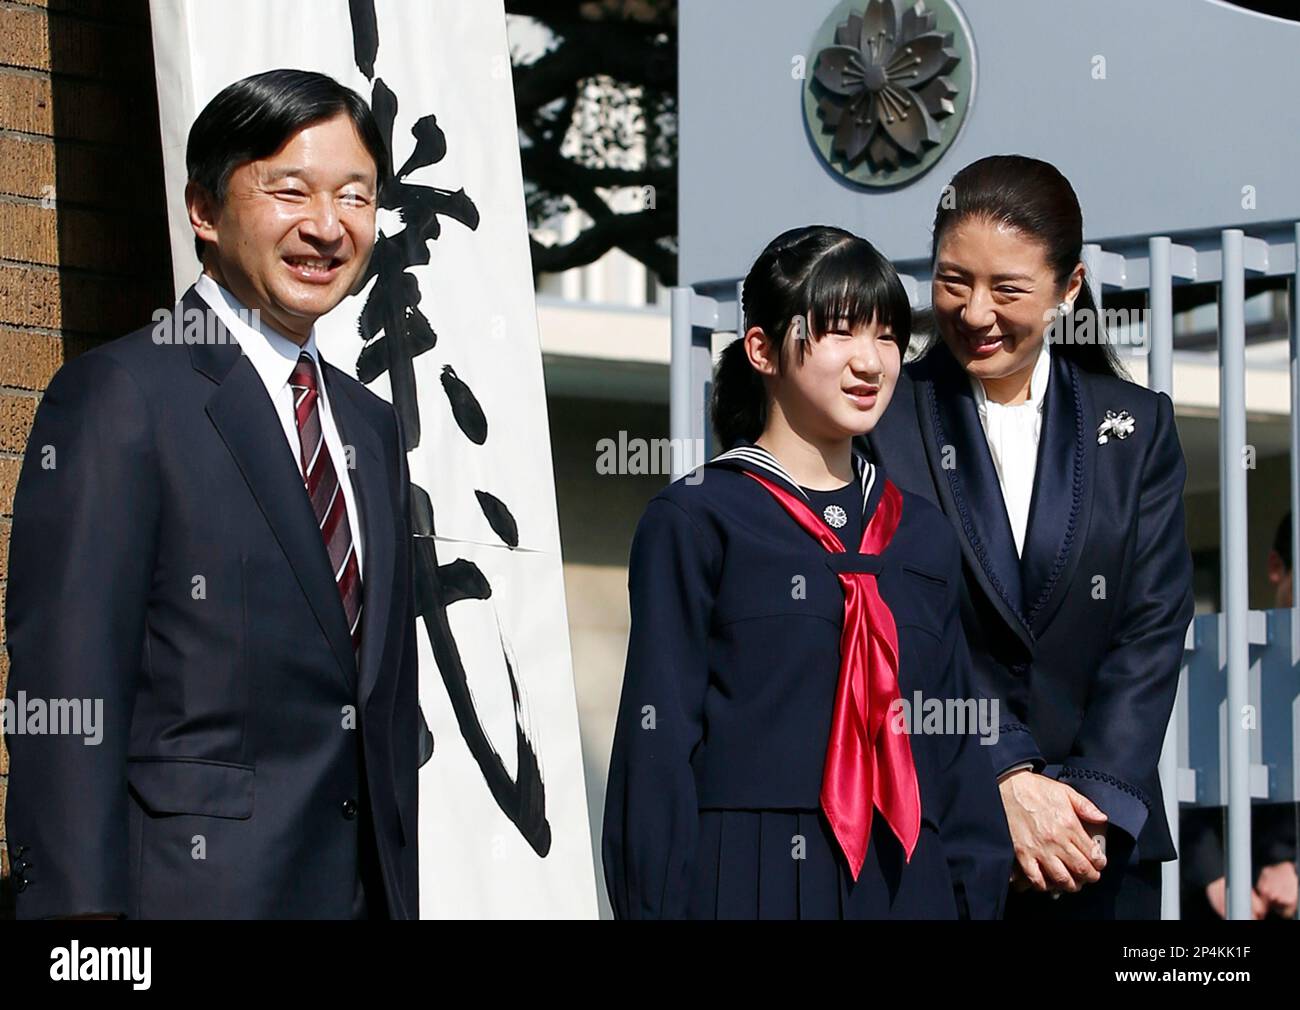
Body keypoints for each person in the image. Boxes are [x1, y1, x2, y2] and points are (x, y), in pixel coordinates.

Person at [4, 69, 419, 919]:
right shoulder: (122, 394)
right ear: (203, 208)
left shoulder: (369, 427)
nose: (327, 227)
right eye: (290, 190)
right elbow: (68, 689)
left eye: (356, 196)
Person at [602, 225, 1013, 919]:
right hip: (747, 880)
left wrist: (974, 896)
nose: (871, 361)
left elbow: (954, 750)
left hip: (907, 882)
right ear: (762, 349)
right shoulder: (698, 519)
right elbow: (659, 744)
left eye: (887, 336)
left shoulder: (922, 535)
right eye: (840, 332)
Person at [866, 155, 1195, 919]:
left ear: (1068, 288)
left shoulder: (1137, 427)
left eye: (1007, 289)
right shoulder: (882, 422)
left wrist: (1087, 806)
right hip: (936, 832)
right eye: (953, 281)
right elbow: (893, 623)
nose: (976, 312)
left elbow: (1152, 629)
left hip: (1096, 854)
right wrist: (1003, 772)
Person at [1180, 512, 1298, 919]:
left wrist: (1295, 867)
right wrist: (1215, 876)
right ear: (1275, 568)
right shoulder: (1229, 669)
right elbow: (1183, 776)